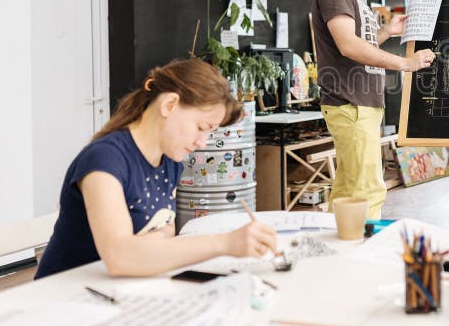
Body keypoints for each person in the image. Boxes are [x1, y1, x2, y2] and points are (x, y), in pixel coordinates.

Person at [35, 58, 277, 279]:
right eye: (201, 127)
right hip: (64, 297)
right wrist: (226, 244)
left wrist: (148, 246)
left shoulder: (170, 161)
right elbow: (121, 258)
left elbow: (167, 230)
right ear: (170, 104)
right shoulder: (105, 160)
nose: (202, 142)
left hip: (123, 289)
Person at [310, 0, 435, 219]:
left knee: (348, 191)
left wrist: (388, 31)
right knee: (367, 192)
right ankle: (361, 254)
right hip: (350, 102)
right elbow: (348, 46)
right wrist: (406, 63)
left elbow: (359, 44)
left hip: (359, 104)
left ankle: (338, 253)